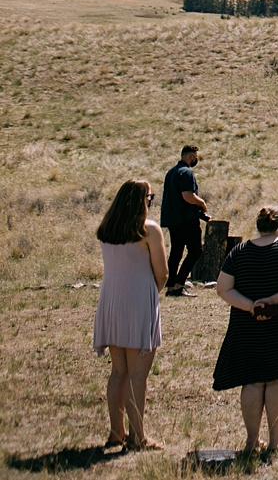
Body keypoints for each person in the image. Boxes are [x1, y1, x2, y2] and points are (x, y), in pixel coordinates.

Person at [213, 204, 278, 455]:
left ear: (259, 226)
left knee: (252, 381)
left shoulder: (239, 252)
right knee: (277, 381)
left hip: (247, 323)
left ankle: (251, 441)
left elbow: (223, 288)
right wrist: (273, 301)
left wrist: (252, 306)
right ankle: (274, 440)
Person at [94, 179, 166, 452]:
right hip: (138, 303)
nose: (151, 202)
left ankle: (116, 432)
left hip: (111, 301)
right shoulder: (148, 229)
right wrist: (151, 293)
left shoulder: (109, 228)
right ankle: (137, 437)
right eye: (149, 197)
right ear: (141, 200)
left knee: (118, 371)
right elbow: (162, 273)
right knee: (138, 374)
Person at [160, 145, 208, 296]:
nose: (196, 160)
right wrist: (201, 203)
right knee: (195, 250)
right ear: (191, 157)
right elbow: (187, 196)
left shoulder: (171, 172)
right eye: (196, 157)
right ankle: (179, 285)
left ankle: (170, 286)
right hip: (186, 219)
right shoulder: (186, 172)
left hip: (172, 218)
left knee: (176, 252)